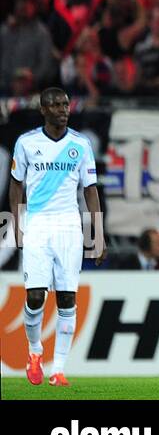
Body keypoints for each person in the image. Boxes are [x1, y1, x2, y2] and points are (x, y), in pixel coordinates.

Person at [9, 87, 104, 387]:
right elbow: (15, 185)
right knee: (35, 296)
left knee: (67, 298)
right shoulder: (26, 143)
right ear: (43, 109)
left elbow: (90, 190)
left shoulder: (80, 144)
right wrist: (17, 221)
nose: (63, 109)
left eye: (65, 104)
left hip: (68, 226)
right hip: (37, 224)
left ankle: (58, 369)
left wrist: (97, 235)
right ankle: (35, 351)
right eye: (56, 105)